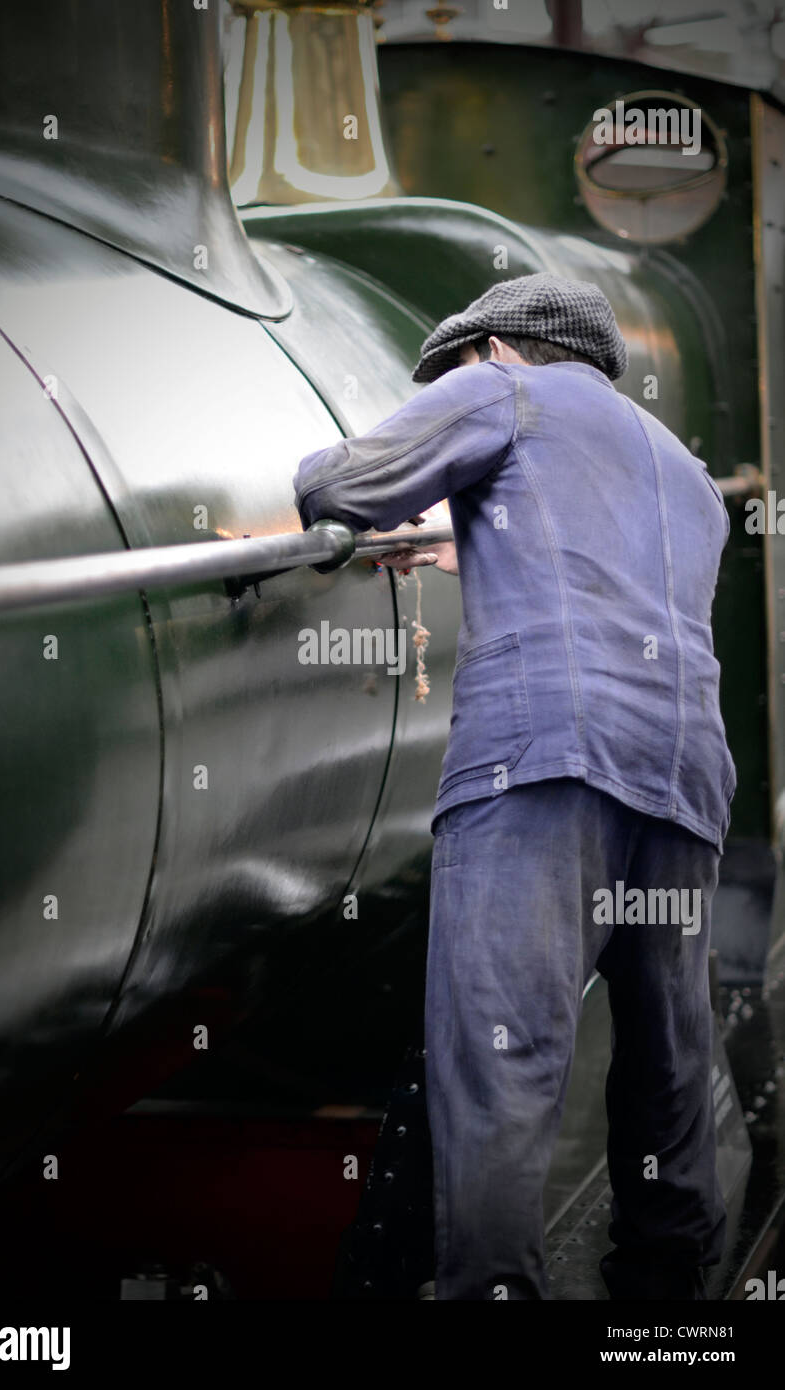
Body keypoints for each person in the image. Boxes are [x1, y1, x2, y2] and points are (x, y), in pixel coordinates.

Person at [293, 272, 736, 1301]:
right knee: (667, 1054)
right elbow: (588, 562)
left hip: (540, 754)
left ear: (496, 347)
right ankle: (666, 1292)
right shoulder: (680, 468)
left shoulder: (503, 391)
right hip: (681, 776)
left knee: (505, 1053)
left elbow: (339, 486)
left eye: (454, 367)